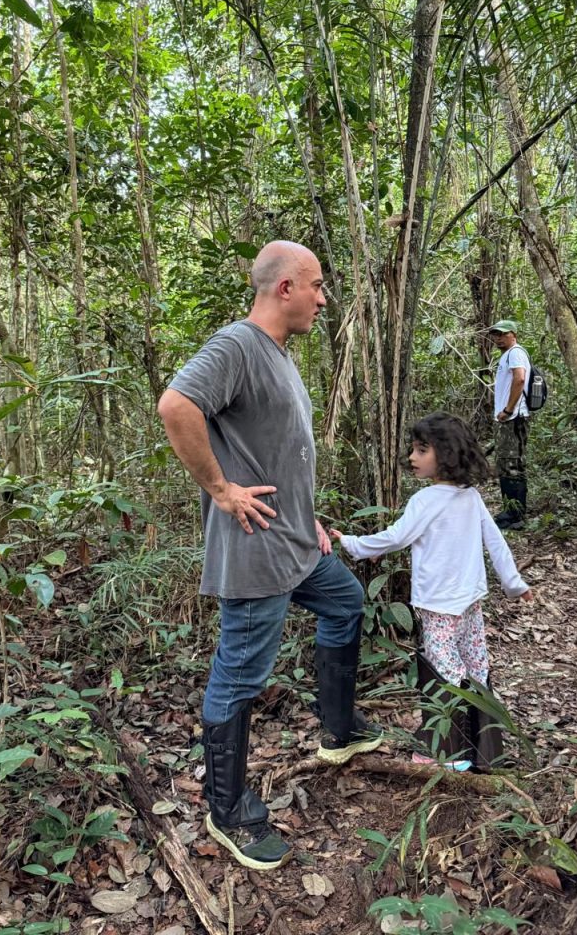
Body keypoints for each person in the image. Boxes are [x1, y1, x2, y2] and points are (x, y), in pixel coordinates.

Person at [157, 240, 382, 871]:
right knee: (240, 676)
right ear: (284, 288)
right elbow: (177, 406)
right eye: (315, 286)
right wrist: (221, 490)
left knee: (346, 600)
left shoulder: (278, 355)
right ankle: (227, 810)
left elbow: (276, 445)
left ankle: (339, 729)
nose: (322, 297)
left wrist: (307, 512)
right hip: (256, 551)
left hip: (295, 540)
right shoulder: (237, 346)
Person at [330, 412, 533, 771]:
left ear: (446, 452)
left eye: (421, 450)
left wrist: (352, 543)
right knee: (475, 666)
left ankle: (446, 754)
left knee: (443, 672)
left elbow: (396, 537)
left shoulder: (426, 502)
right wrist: (515, 584)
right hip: (470, 601)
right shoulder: (469, 497)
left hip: (438, 606)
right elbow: (496, 543)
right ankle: (486, 752)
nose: (412, 457)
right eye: (413, 449)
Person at [489, 319, 531, 530]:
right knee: (506, 464)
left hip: (513, 418)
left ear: (512, 334)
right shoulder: (507, 356)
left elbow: (520, 379)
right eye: (495, 334)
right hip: (507, 419)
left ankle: (516, 515)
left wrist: (508, 409)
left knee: (513, 465)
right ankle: (510, 511)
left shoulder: (516, 353)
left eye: (502, 334)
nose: (498, 338)